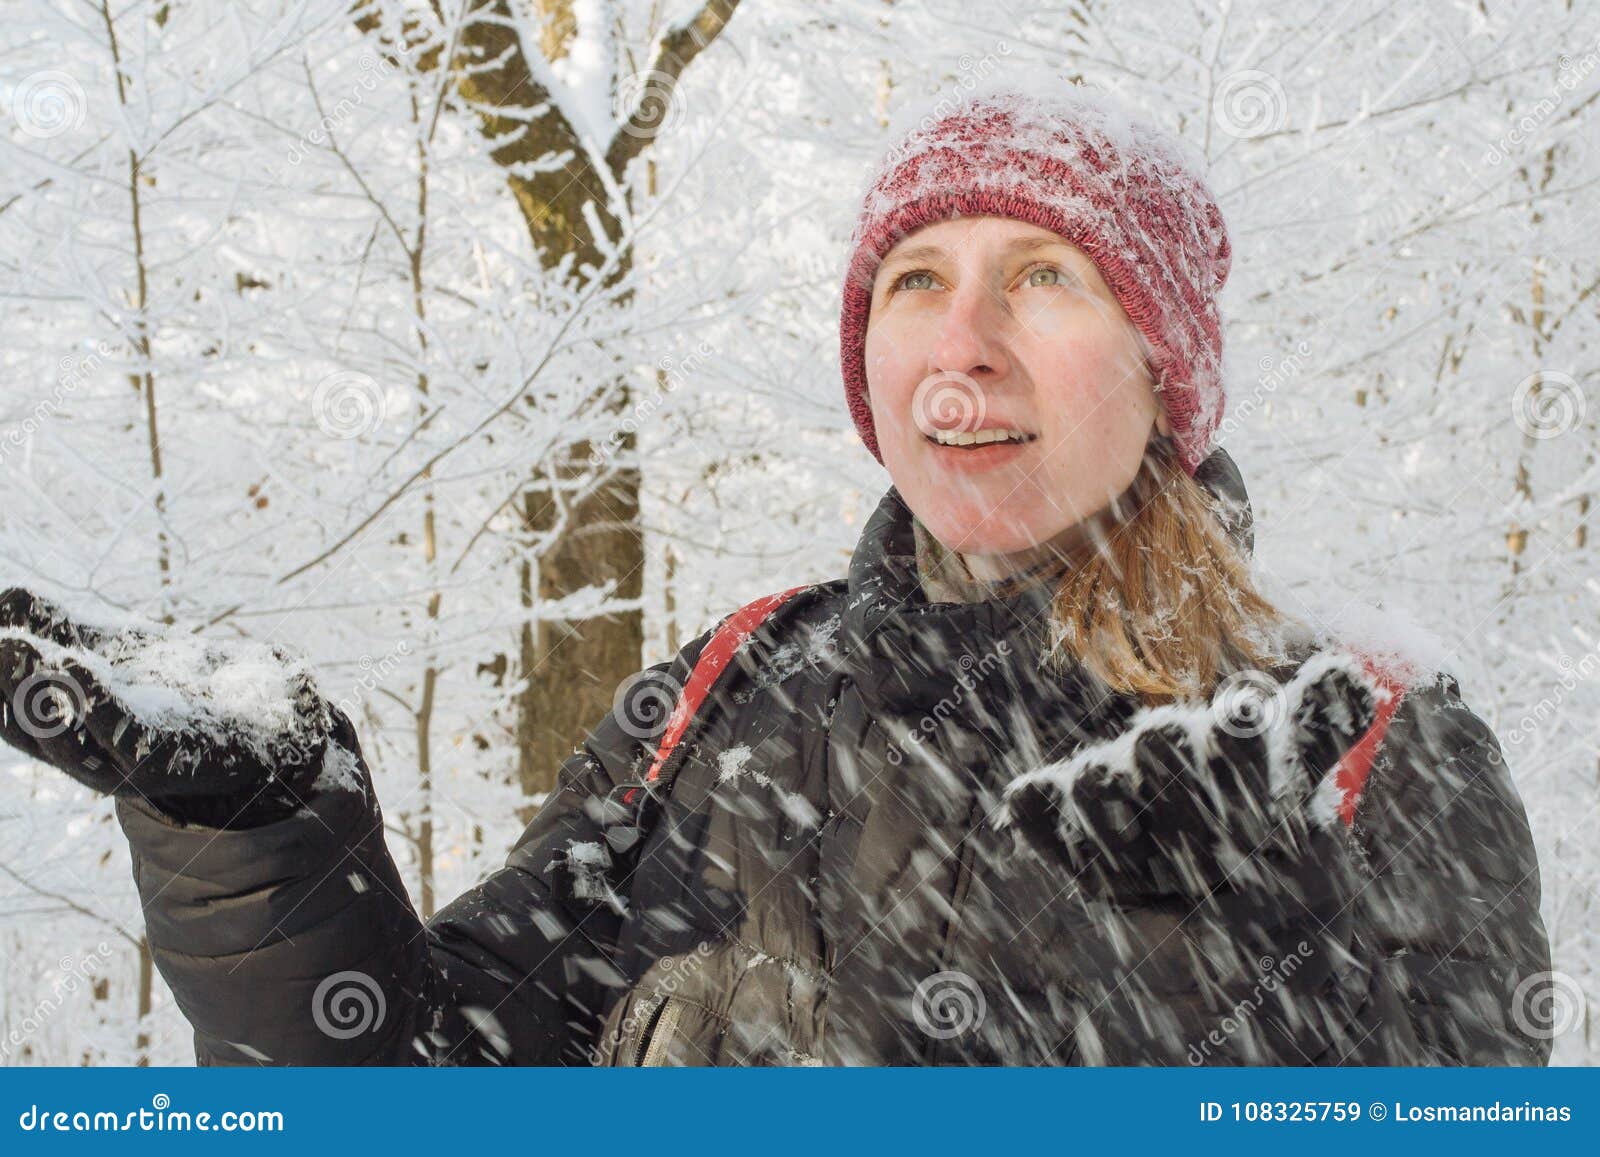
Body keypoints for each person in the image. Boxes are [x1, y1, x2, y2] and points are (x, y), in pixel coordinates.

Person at [0, 79, 1552, 1067]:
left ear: (1163, 373)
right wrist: (271, 855)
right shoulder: (727, 695)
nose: (965, 338)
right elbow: (423, 1081)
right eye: (918, 281)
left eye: (1046, 278)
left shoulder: (1360, 741)